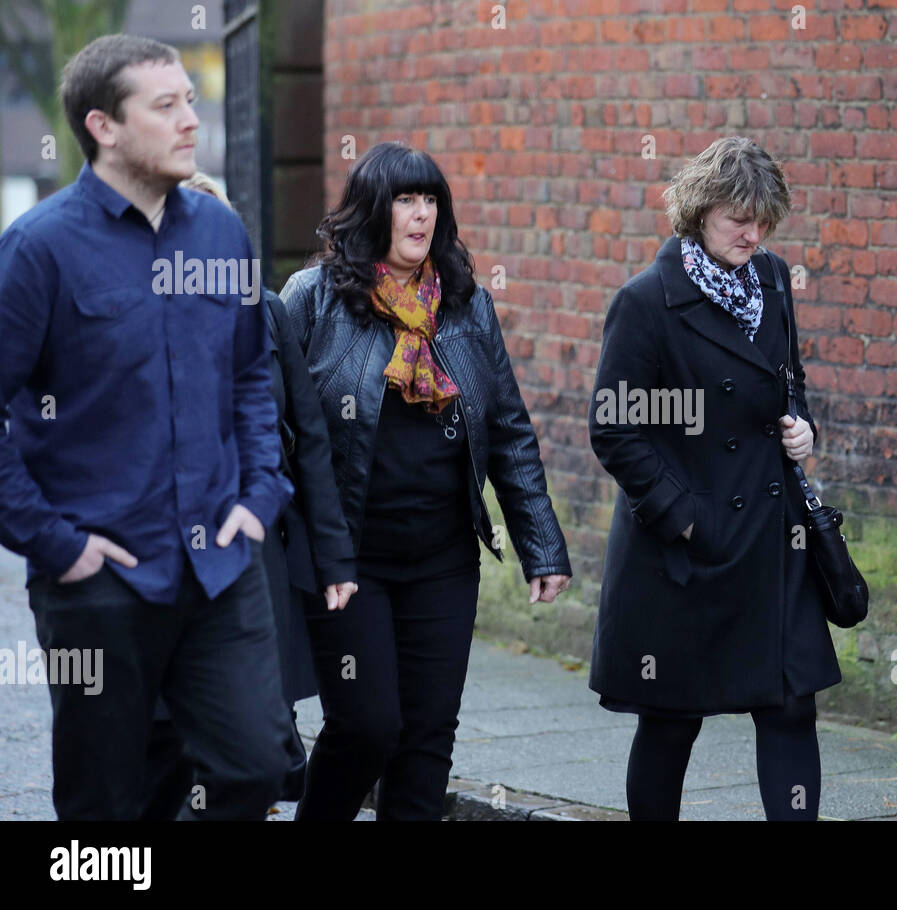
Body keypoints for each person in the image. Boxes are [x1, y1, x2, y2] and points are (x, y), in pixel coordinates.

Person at [0, 35, 294, 820]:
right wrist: (55, 543)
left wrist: (260, 491)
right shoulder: (39, 249)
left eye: (189, 102)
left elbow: (248, 378)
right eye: (165, 106)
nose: (190, 120)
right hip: (99, 579)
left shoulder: (221, 236)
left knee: (258, 766)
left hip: (219, 566)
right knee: (106, 801)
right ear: (104, 125)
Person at [280, 141, 572, 821]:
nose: (420, 215)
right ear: (371, 211)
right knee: (367, 725)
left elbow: (509, 432)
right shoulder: (315, 300)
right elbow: (276, 424)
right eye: (405, 201)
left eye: (430, 200)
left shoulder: (467, 306)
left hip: (442, 557)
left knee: (427, 737)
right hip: (348, 557)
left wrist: (542, 545)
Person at [587, 136, 841, 821]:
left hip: (771, 542)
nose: (753, 234)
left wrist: (801, 424)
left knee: (790, 711)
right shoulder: (646, 303)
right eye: (738, 219)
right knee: (672, 722)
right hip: (686, 554)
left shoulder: (774, 279)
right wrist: (687, 517)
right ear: (699, 213)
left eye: (764, 220)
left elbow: (789, 384)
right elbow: (613, 427)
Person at [138, 173, 360, 818]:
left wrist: (333, 559)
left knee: (257, 746)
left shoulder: (265, 311)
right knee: (169, 744)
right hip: (160, 559)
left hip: (255, 551)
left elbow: (310, 441)